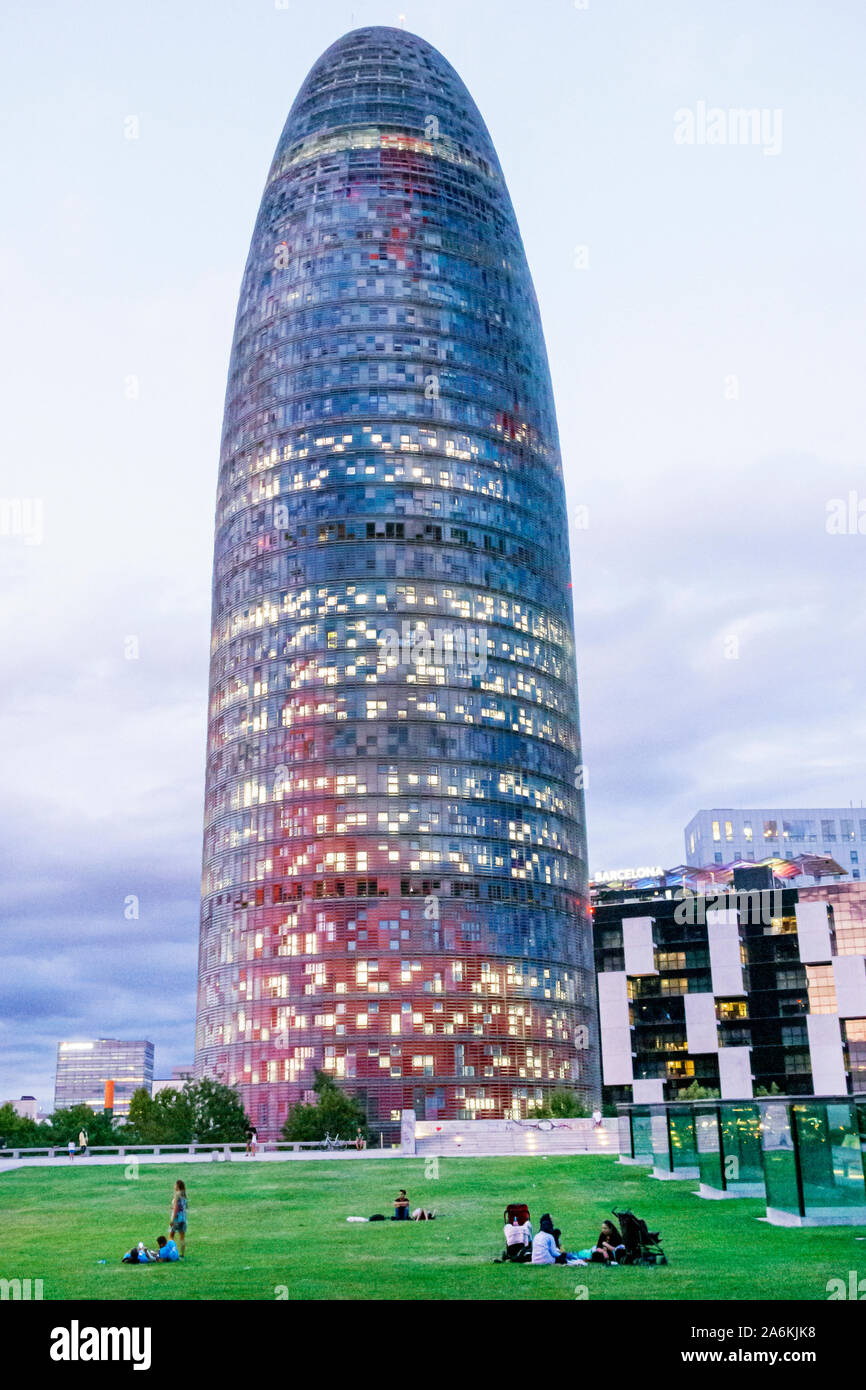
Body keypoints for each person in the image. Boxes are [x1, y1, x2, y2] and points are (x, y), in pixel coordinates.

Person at [170, 1179, 188, 1256]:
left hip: (177, 1218)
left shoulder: (177, 1194)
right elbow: (185, 1207)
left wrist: (172, 1219)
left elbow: (176, 1208)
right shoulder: (185, 1195)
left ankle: (172, 1252)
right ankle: (182, 1253)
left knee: (171, 1235)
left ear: (177, 1186)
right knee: (182, 1237)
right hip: (183, 1219)